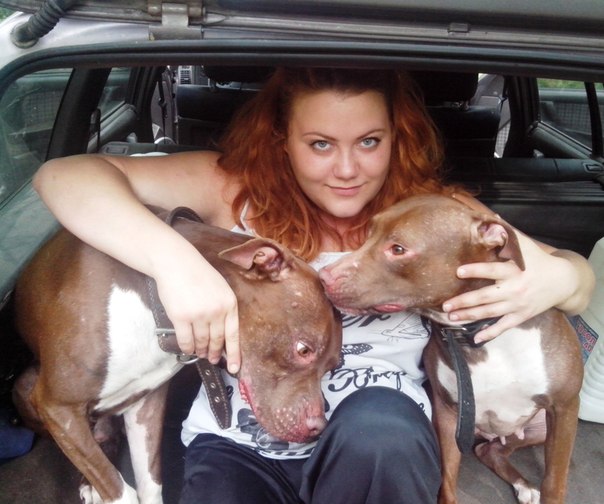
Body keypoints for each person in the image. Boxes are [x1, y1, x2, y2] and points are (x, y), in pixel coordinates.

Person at [34, 67, 594, 503]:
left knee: (380, 433)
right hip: (237, 442)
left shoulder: (431, 214)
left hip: (376, 438)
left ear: (396, 138)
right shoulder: (230, 188)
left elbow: (576, 282)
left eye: (369, 142)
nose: (347, 169)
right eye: (320, 144)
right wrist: (175, 263)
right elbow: (62, 176)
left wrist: (560, 275)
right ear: (283, 140)